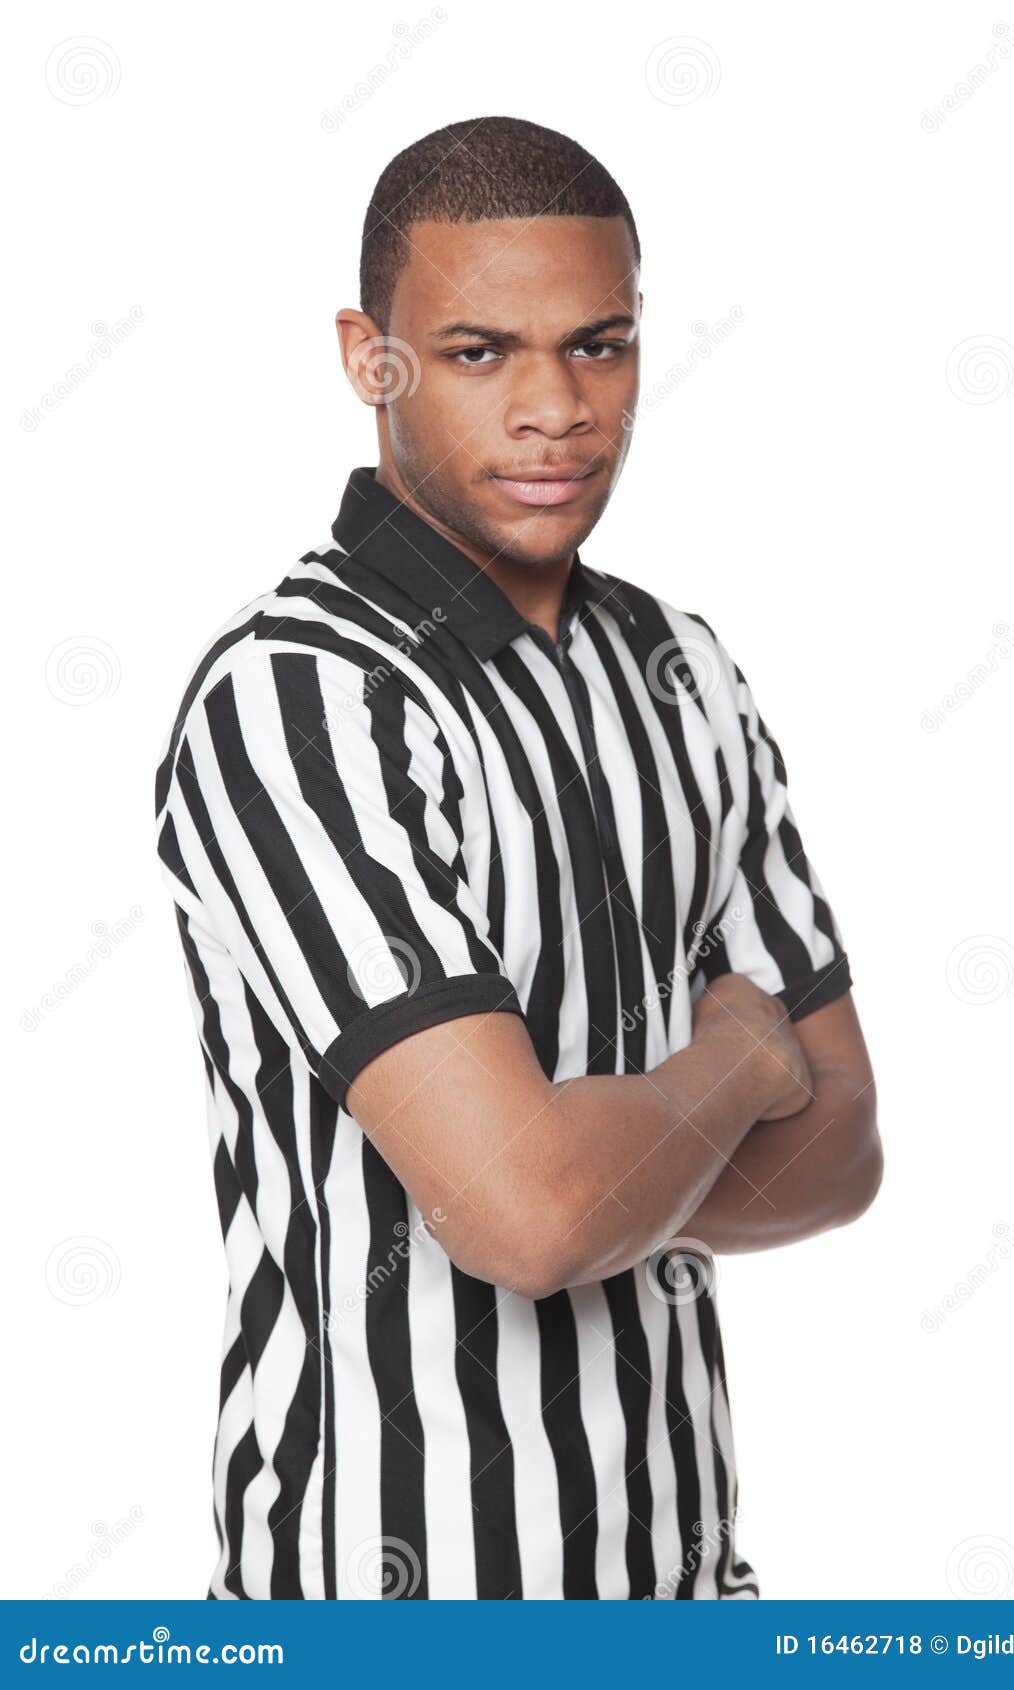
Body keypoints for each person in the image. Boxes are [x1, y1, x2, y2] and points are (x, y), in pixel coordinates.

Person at [154, 114, 882, 1601]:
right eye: (480, 352)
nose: (555, 408)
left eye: (598, 346)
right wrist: (732, 1066)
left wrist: (583, 1170)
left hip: (690, 1595)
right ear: (372, 360)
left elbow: (843, 1152)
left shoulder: (684, 669)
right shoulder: (303, 700)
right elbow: (529, 1214)